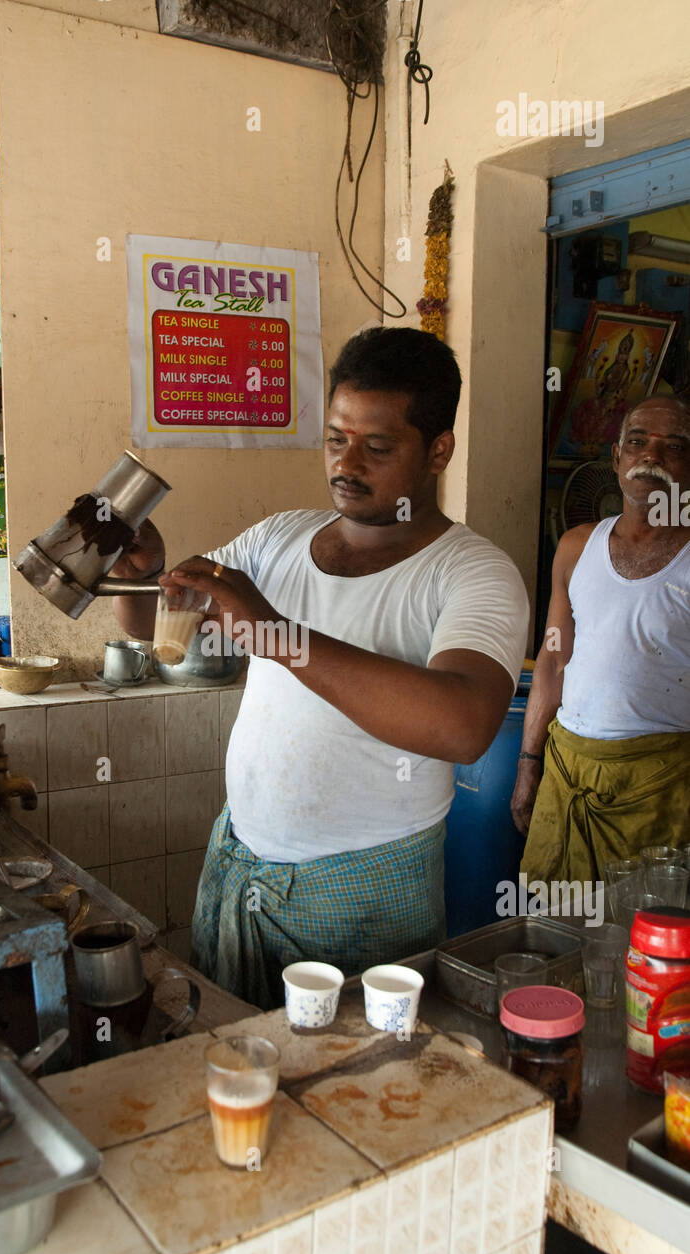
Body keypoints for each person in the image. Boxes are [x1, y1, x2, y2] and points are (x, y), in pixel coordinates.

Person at [112, 326, 529, 1007]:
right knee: (234, 1068)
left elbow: (464, 725)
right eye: (336, 438)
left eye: (378, 445)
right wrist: (146, 577)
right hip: (241, 861)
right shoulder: (278, 539)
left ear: (438, 451)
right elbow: (171, 641)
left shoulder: (472, 573)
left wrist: (276, 634)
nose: (348, 462)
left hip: (365, 897)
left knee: (354, 1090)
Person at [512, 395, 690, 885]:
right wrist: (529, 763)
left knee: (641, 936)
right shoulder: (575, 547)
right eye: (637, 442)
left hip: (659, 784)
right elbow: (552, 661)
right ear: (616, 459)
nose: (651, 456)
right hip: (566, 771)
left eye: (673, 446)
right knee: (551, 926)